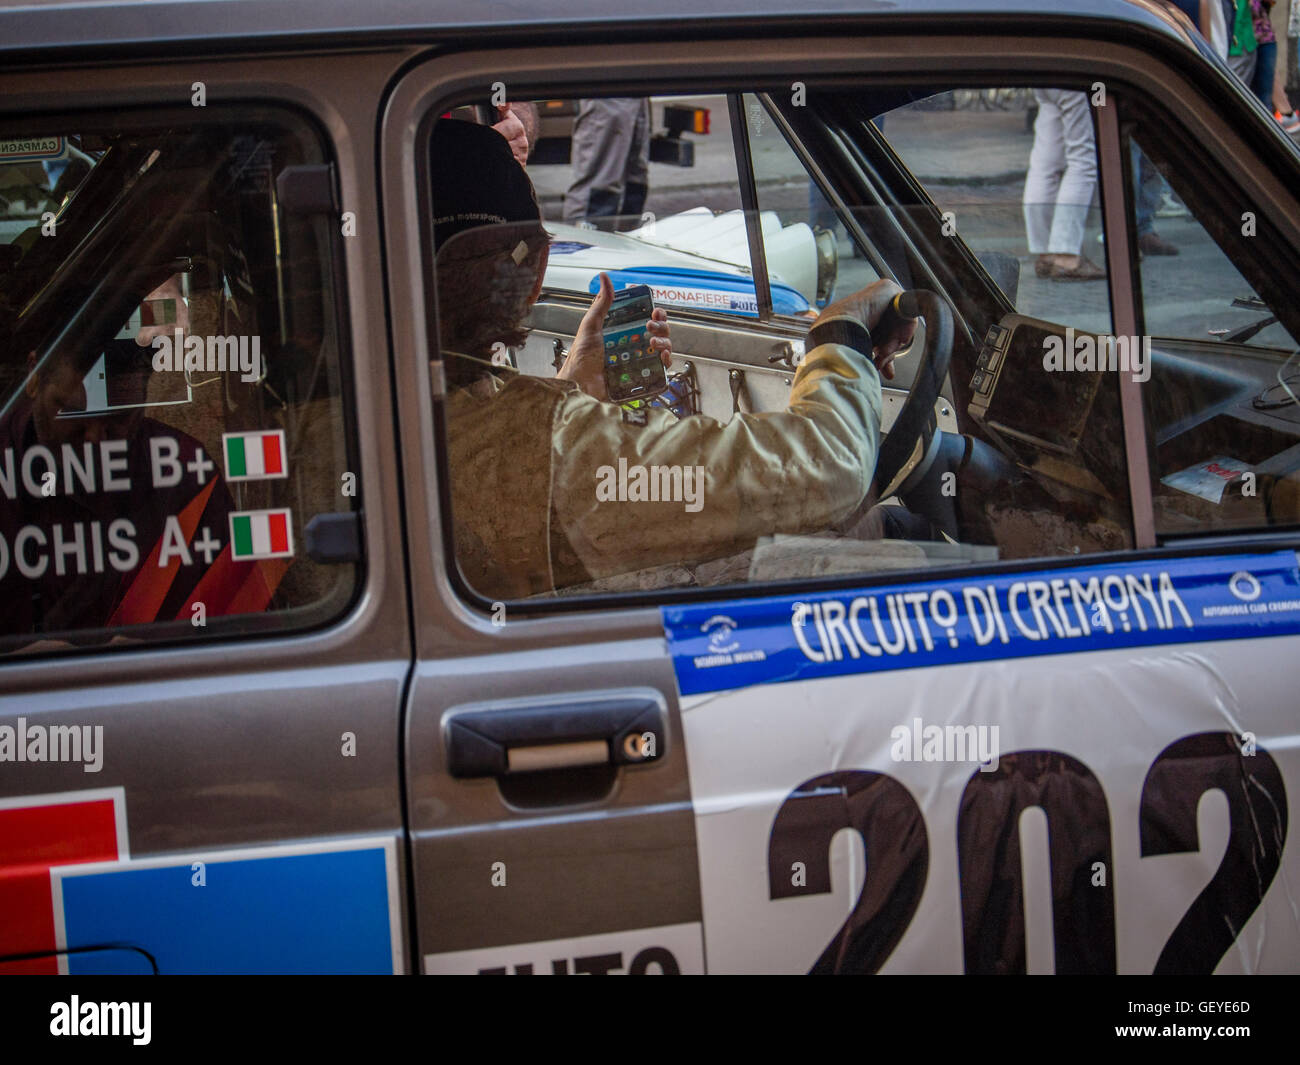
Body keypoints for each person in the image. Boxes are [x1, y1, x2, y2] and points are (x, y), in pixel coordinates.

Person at [430, 119, 915, 598]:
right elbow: (831, 470)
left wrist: (572, 388)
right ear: (536, 275)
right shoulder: (554, 449)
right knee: (897, 543)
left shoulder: (394, 410)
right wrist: (839, 333)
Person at [1023, 89, 1105, 281]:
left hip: (1042, 75)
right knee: (1082, 161)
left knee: (1045, 163)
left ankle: (1046, 254)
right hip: (1074, 73)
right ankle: (1067, 257)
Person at [562, 98, 651, 229]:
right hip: (608, 95)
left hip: (636, 92)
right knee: (600, 180)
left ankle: (624, 243)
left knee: (635, 181)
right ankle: (583, 243)